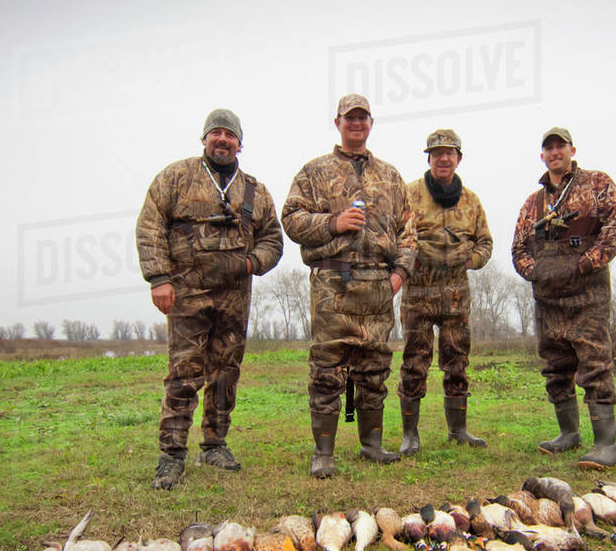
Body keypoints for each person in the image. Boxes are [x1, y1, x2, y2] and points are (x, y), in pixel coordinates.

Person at [136, 109, 283, 489]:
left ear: (239, 143)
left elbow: (273, 239)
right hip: (186, 294)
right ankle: (171, 454)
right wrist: (158, 278)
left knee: (225, 373)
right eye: (215, 133)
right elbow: (150, 226)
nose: (222, 140)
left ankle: (214, 445)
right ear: (204, 139)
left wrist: (253, 261)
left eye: (229, 135)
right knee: (184, 372)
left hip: (235, 298)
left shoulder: (254, 190)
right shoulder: (176, 177)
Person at [281, 93, 416, 479]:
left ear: (370, 123)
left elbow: (409, 232)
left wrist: (399, 275)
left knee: (375, 366)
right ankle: (323, 453)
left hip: (378, 284)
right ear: (337, 122)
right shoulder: (314, 172)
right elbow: (290, 219)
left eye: (362, 118)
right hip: (332, 284)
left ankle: (371, 444)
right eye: (349, 117)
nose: (356, 123)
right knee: (327, 367)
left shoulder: (390, 176)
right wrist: (333, 223)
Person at [511, 127, 616, 469]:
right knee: (555, 366)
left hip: (587, 296)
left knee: (594, 364)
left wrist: (584, 264)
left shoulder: (596, 184)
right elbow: (517, 248)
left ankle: (607, 445)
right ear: (542, 155)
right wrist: (535, 272)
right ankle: (569, 434)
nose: (554, 152)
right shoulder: (533, 204)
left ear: (572, 150)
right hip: (547, 300)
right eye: (548, 148)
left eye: (560, 146)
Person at [397, 129, 493, 455]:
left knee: (457, 362)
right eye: (437, 153)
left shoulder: (471, 200)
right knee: (414, 362)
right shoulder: (409, 194)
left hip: (455, 296)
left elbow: (485, 244)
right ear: (429, 158)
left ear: (458, 158)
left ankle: (459, 430)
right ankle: (410, 435)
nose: (443, 158)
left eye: (449, 152)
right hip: (418, 295)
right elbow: (396, 236)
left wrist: (470, 259)